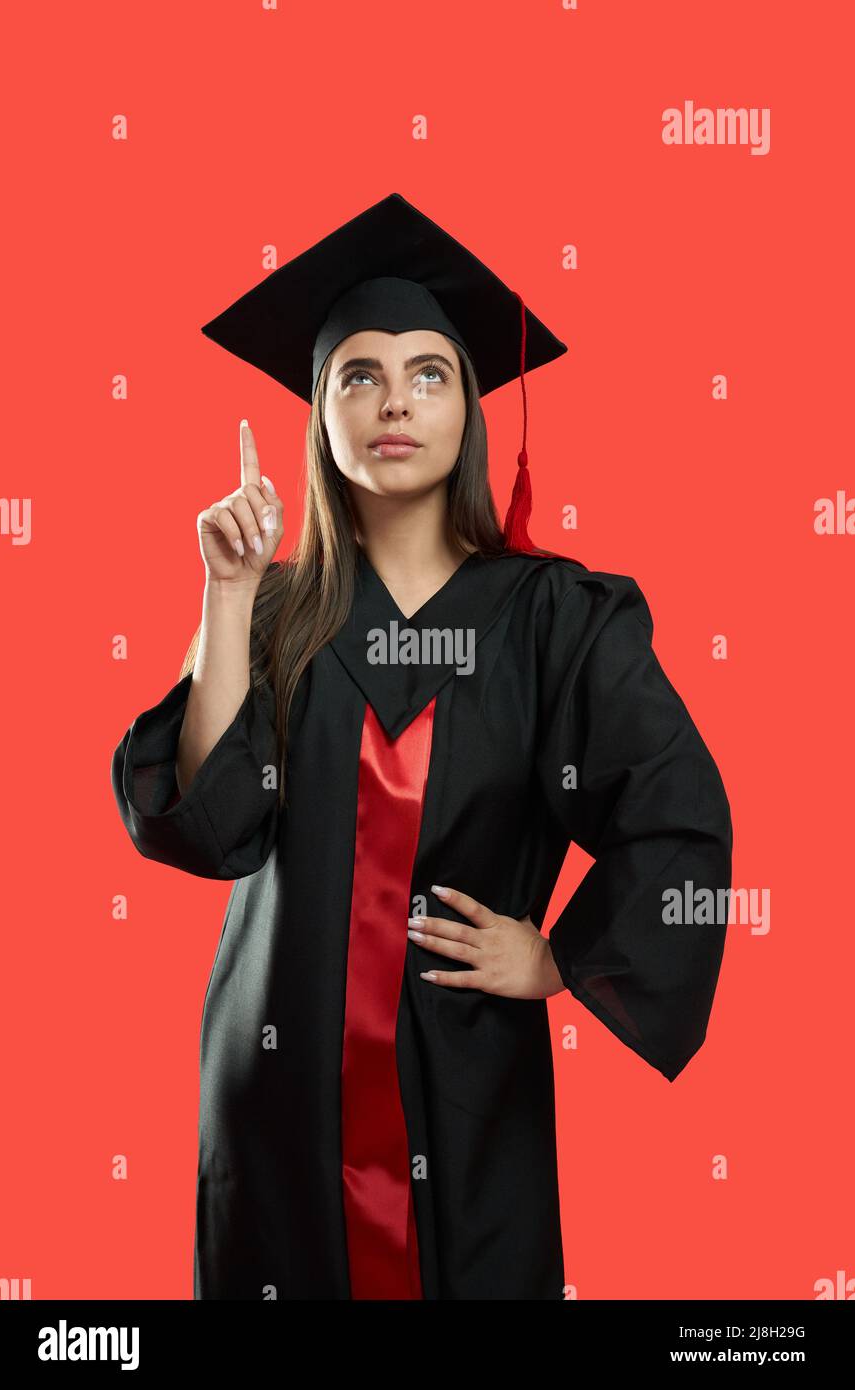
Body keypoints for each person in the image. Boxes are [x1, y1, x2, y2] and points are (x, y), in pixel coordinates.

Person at [110, 193, 733, 1301]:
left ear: (469, 407)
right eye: (359, 373)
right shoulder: (272, 611)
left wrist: (558, 958)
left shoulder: (554, 617)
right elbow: (205, 820)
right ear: (320, 411)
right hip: (276, 1095)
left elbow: (675, 805)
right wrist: (225, 592)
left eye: (428, 372)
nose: (395, 401)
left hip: (467, 1091)